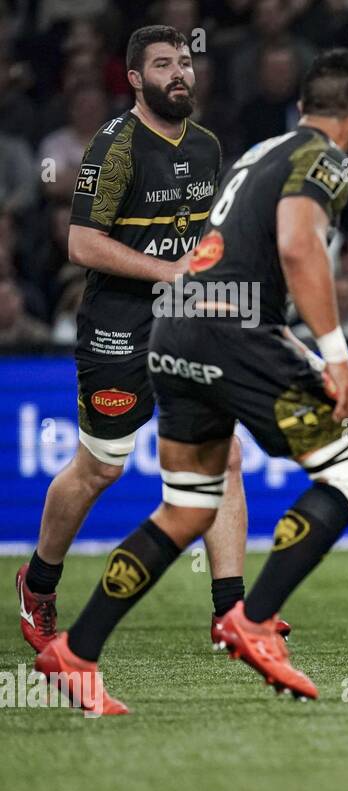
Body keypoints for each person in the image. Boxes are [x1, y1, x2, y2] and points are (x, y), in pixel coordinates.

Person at [33, 50, 348, 714]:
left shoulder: (262, 151)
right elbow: (296, 245)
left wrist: (305, 357)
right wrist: (334, 355)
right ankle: (251, 619)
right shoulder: (328, 160)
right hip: (226, 338)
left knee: (188, 508)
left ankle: (76, 651)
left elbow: (232, 269)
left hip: (176, 334)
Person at [15, 26, 278, 659]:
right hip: (117, 325)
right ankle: (38, 582)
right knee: (100, 467)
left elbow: (201, 241)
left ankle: (231, 615)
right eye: (164, 65)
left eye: (185, 62)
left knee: (225, 456)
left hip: (185, 325)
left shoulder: (208, 147)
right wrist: (169, 272)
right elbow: (81, 244)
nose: (179, 73)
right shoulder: (117, 147)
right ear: (135, 79)